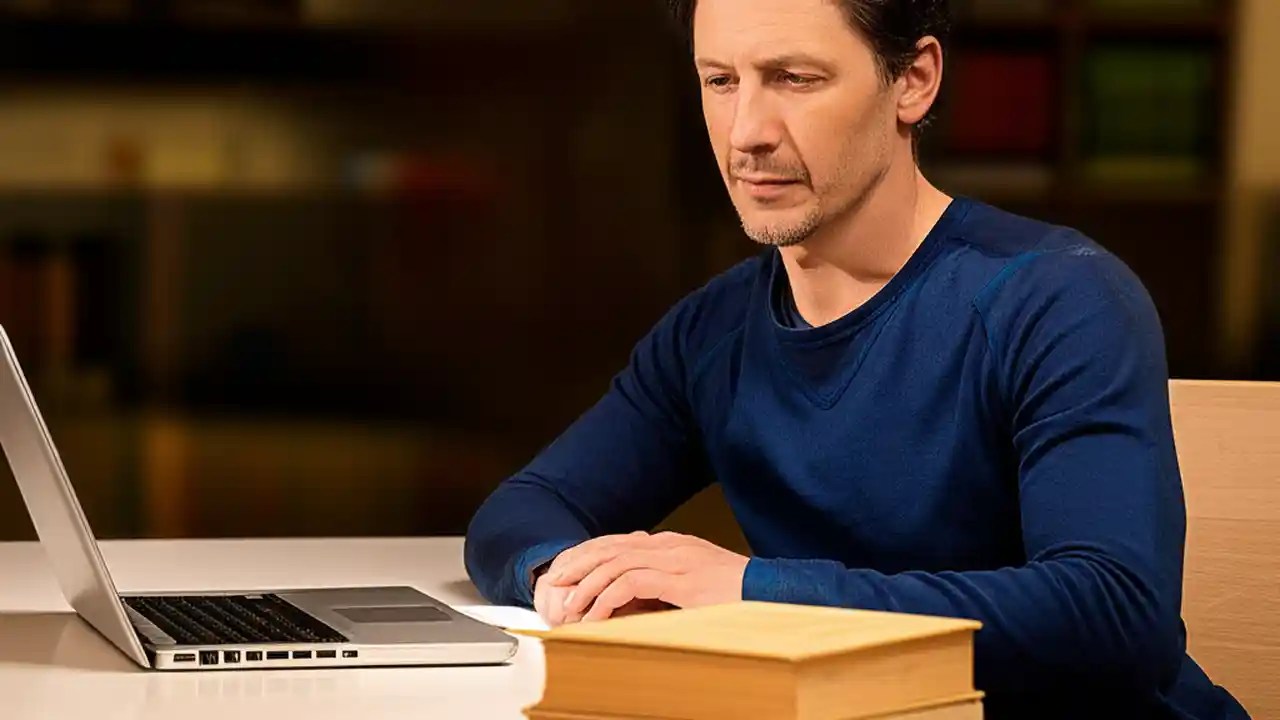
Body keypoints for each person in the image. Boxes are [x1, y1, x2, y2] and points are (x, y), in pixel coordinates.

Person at [464, 0, 1248, 716]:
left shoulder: (1059, 298)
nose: (746, 132)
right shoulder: (713, 332)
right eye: (720, 80)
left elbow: (1114, 614)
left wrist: (751, 590)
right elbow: (519, 513)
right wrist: (571, 581)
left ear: (913, 82)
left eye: (795, 79)